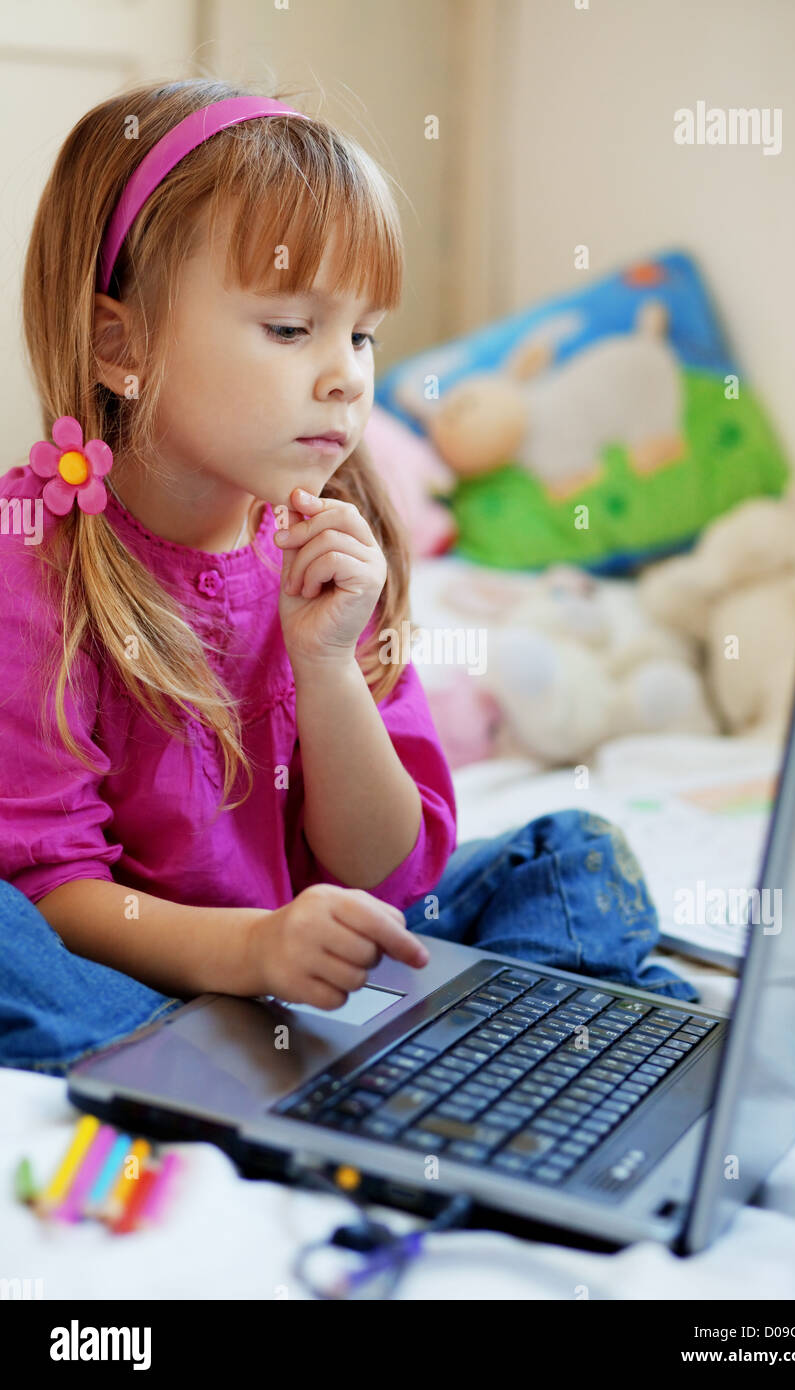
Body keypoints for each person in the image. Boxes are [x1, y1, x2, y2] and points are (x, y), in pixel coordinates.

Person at [0, 79, 696, 1074]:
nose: (346, 376)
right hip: (142, 976)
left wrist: (325, 669)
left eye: (361, 334)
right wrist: (251, 948)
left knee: (569, 856)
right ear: (124, 346)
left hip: (324, 956)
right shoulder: (34, 560)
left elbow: (388, 869)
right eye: (291, 330)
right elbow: (51, 888)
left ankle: (471, 1073)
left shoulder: (329, 536)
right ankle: (288, 1072)